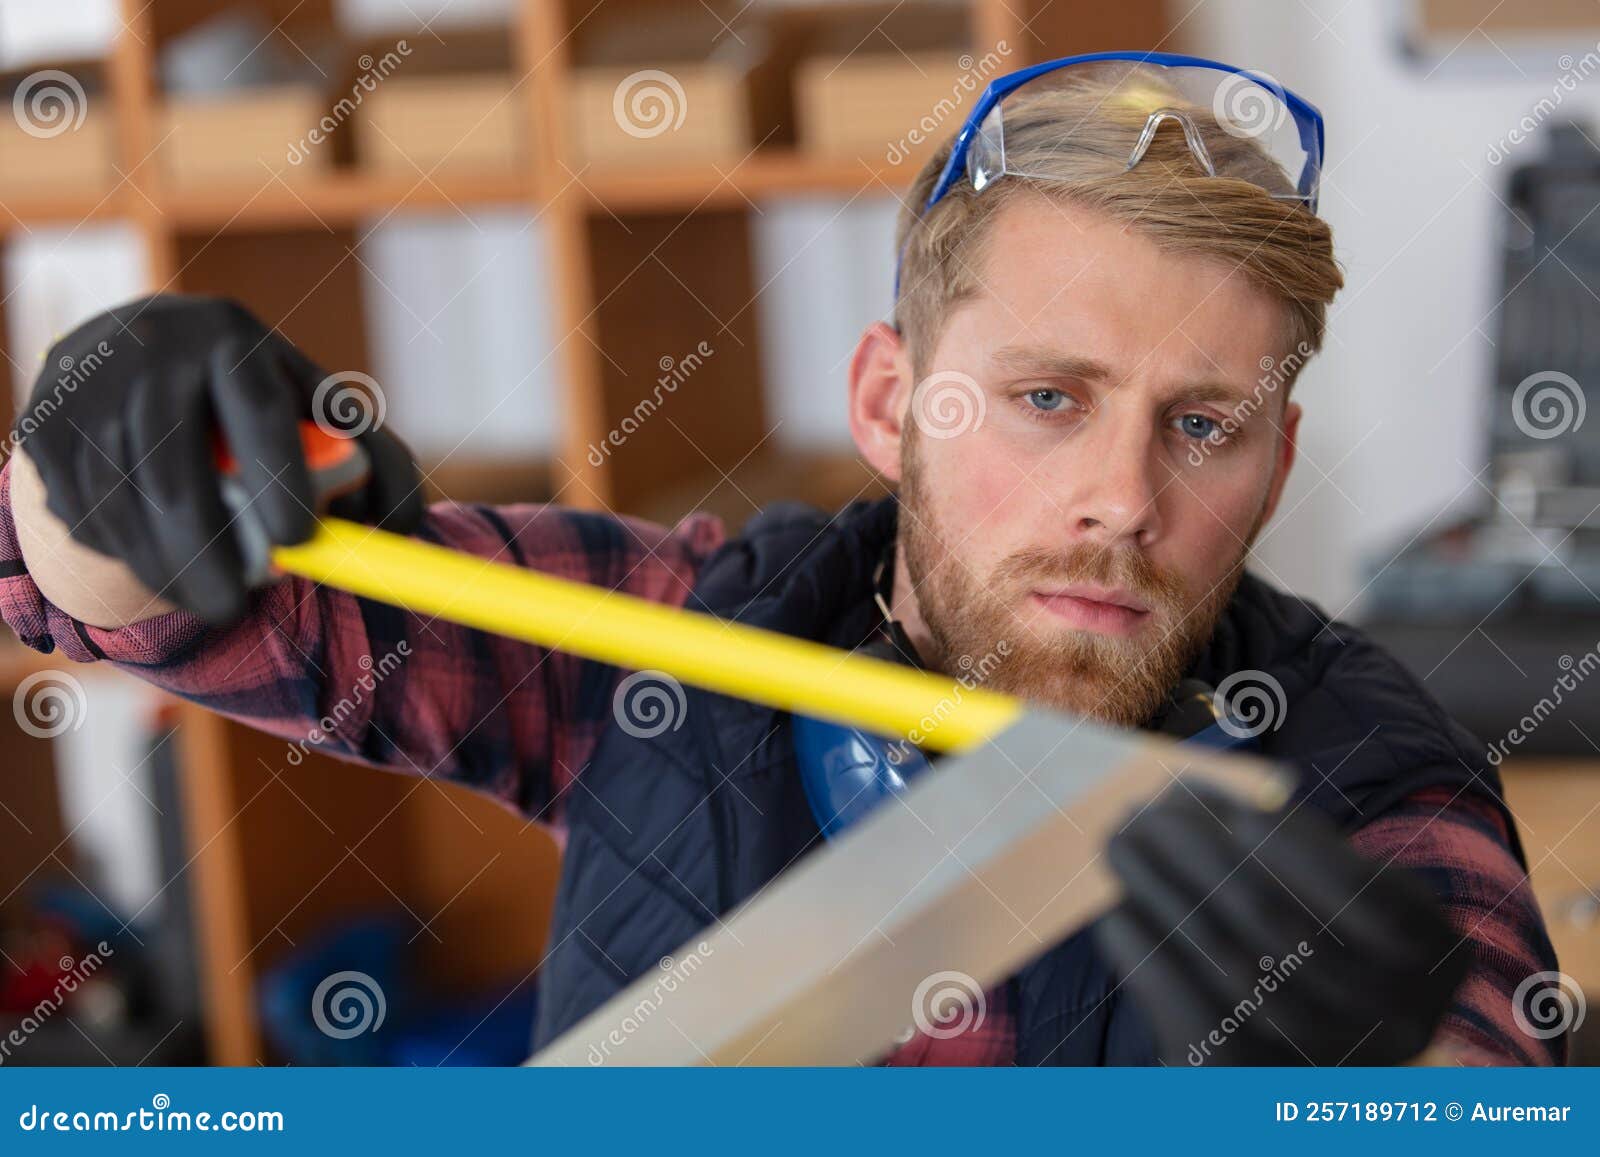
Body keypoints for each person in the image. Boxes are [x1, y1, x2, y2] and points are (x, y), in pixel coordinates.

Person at [0, 55, 1562, 1065]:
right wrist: (91, 460)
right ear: (888, 405)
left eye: (1204, 426)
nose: (1121, 500)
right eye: (1047, 398)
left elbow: (1490, 1070)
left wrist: (1385, 1093)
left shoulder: (1369, 780)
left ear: (1275, 465)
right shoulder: (681, 639)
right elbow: (133, 606)